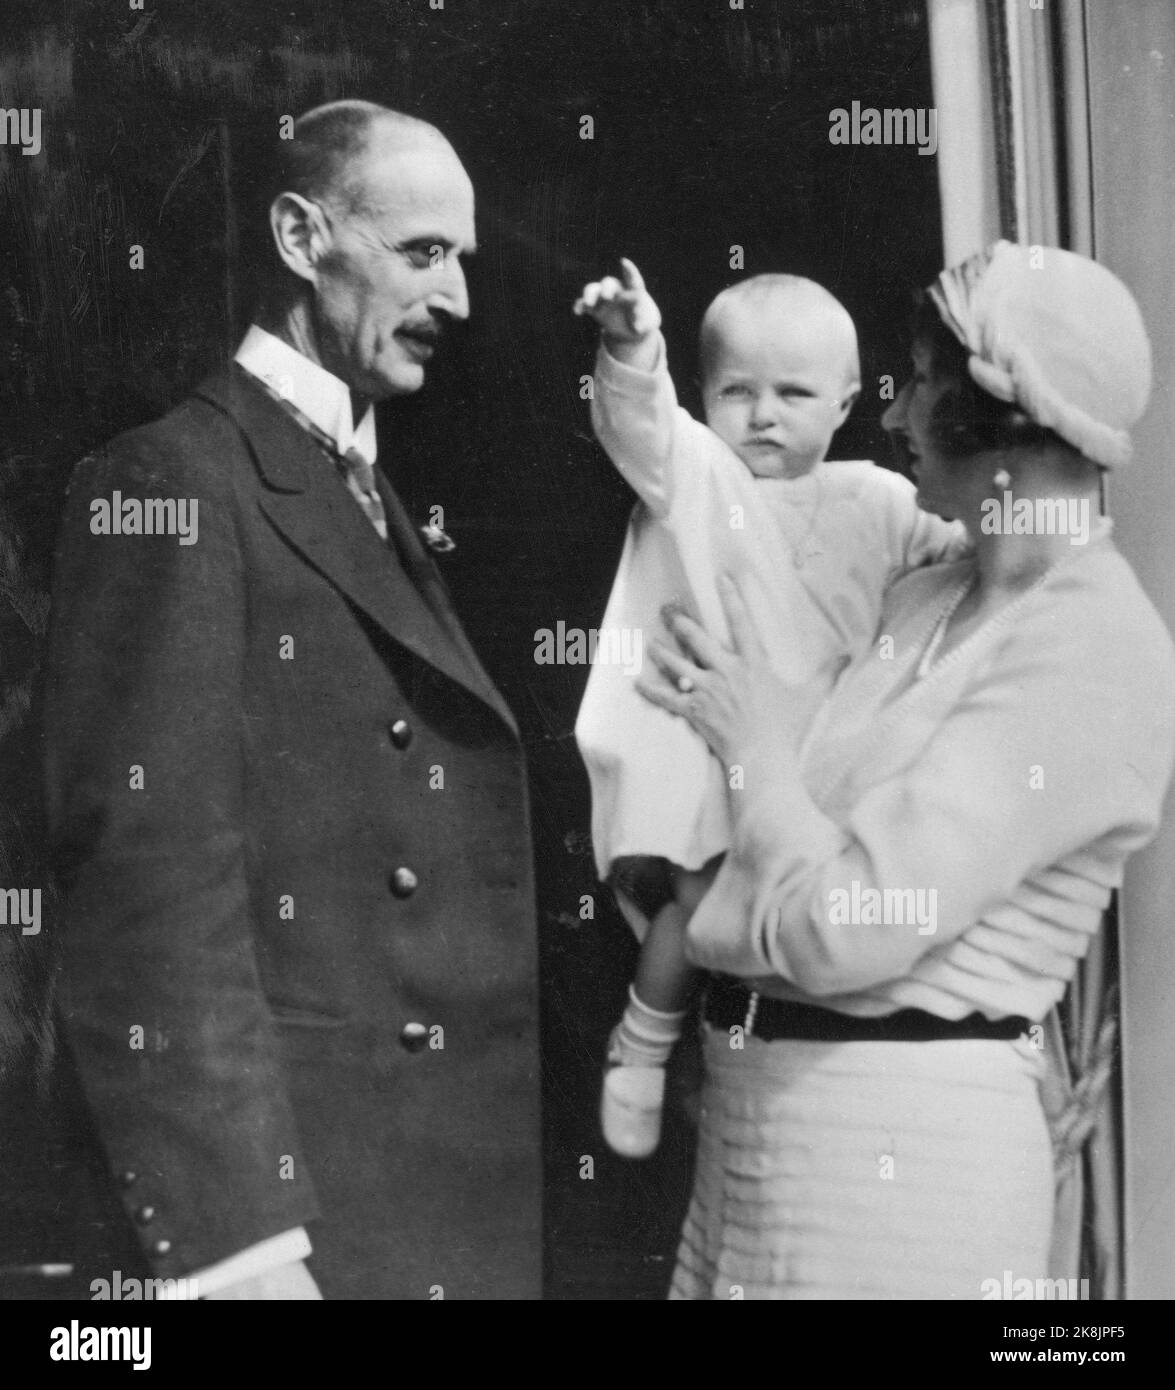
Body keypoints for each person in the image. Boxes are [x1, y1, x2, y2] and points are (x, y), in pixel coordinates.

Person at [40, 101, 541, 1300]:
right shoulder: (174, 479)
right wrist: (233, 1248)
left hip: (416, 1188)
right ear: (298, 233)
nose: (459, 298)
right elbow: (144, 884)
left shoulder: (356, 482)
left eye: (463, 258)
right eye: (424, 253)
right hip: (305, 1220)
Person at [635, 240, 1175, 1299]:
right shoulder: (926, 590)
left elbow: (846, 927)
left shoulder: (1092, 650)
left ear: (1000, 419)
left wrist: (750, 744)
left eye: (921, 385)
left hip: (896, 1179)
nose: (886, 418)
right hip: (754, 1142)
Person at [573, 260, 964, 1157]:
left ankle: (750, 1073)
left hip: (825, 761)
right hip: (716, 751)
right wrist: (633, 346)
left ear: (846, 400)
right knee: (700, 898)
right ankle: (644, 1043)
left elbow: (966, 558)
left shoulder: (880, 497)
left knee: (814, 917)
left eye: (792, 392)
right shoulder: (699, 478)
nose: (761, 415)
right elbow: (645, 428)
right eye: (734, 390)